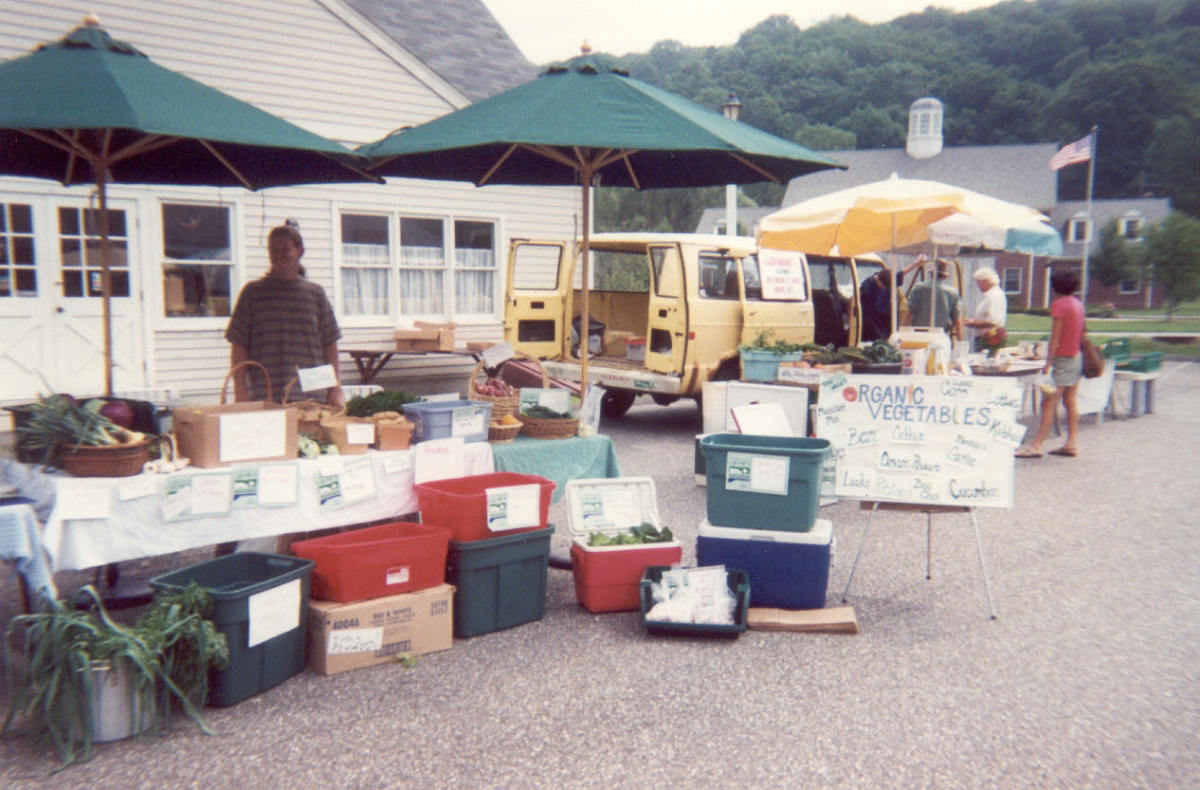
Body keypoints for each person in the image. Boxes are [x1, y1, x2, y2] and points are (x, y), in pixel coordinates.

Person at [225, 222, 344, 408]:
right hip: (265, 395)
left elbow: (330, 345)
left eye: (285, 249)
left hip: (312, 397)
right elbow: (238, 345)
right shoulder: (252, 293)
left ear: (300, 251)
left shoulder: (316, 294)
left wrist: (335, 388)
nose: (278, 254)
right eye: (273, 249)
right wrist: (240, 392)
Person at [1016, 268, 1084, 459]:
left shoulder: (1059, 305)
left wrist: (1048, 362)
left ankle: (1036, 445)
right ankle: (1071, 443)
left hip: (1062, 359)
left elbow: (1056, 337)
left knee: (1048, 403)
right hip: (1076, 357)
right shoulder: (1078, 304)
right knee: (1070, 401)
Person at [906, 258, 963, 339]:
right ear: (944, 277)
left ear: (931, 274)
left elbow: (909, 314)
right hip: (940, 336)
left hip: (918, 335)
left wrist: (904, 334)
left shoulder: (918, 288)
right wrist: (960, 342)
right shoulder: (952, 293)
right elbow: (957, 321)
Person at [964, 267, 1007, 350]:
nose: (978, 285)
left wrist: (973, 324)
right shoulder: (990, 295)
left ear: (985, 281)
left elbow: (993, 321)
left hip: (989, 339)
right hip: (985, 338)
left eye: (978, 282)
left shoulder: (995, 296)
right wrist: (974, 321)